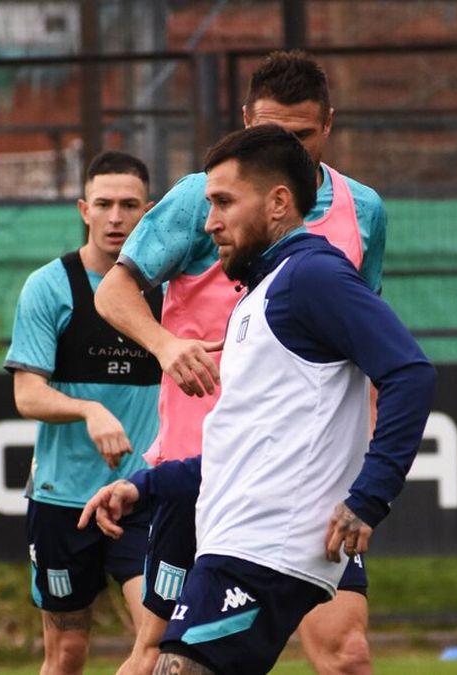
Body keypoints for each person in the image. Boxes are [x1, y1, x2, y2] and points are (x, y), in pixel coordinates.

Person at [81, 125, 435, 674]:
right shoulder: (260, 296)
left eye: (224, 202)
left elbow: (410, 373)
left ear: (277, 203)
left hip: (264, 547)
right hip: (239, 543)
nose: (209, 222)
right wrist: (144, 486)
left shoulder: (312, 277)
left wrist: (370, 497)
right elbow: (242, 448)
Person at [4, 150, 162, 674]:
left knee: (158, 642)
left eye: (129, 205)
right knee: (67, 652)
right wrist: (90, 409)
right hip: (63, 498)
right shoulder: (50, 287)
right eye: (104, 204)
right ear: (83, 209)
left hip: (142, 496)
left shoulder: (166, 290)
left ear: (151, 211)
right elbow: (27, 395)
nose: (116, 216)